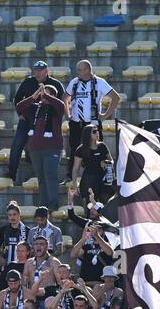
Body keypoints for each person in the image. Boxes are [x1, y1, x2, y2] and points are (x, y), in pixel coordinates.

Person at [7, 60, 66, 183]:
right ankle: (11, 173)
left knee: (43, 148)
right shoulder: (28, 82)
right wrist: (20, 114)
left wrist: (56, 118)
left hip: (46, 122)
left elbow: (62, 103)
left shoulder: (56, 84)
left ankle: (44, 174)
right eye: (36, 70)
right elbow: (17, 99)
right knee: (17, 143)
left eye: (40, 71)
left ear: (47, 71)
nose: (37, 73)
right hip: (28, 119)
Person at [16, 67, 66, 211]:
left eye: (48, 94)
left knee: (50, 175)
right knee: (41, 178)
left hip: (52, 148)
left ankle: (53, 202)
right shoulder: (35, 108)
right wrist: (33, 96)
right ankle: (44, 205)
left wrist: (47, 94)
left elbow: (60, 105)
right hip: (36, 148)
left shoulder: (56, 108)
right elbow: (20, 107)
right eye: (43, 94)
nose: (43, 96)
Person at [64, 59, 119, 165]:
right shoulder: (74, 82)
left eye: (82, 70)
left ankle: (99, 176)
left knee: (97, 150)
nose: (80, 72)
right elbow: (65, 98)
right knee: (74, 151)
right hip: (76, 123)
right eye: (78, 70)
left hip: (92, 123)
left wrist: (105, 115)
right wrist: (67, 115)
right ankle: (71, 176)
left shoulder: (99, 82)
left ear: (88, 69)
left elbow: (116, 98)